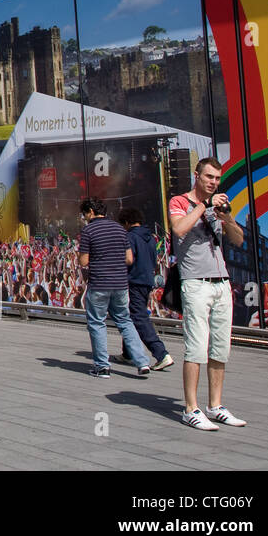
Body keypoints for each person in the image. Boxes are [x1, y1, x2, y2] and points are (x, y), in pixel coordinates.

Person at [168, 157, 248, 431]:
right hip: (195, 283)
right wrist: (204, 205)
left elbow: (238, 240)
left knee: (220, 348)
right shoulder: (180, 201)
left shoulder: (218, 207)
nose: (213, 182)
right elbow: (178, 229)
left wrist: (227, 218)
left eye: (217, 178)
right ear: (197, 175)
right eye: (209, 177)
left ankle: (216, 405)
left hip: (221, 282)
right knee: (196, 346)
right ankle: (191, 408)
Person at [77, 198, 153, 377]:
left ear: (90, 212)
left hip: (99, 283)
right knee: (125, 321)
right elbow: (129, 259)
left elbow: (84, 261)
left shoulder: (88, 230)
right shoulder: (120, 229)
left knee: (97, 323)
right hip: (120, 284)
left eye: (84, 213)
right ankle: (142, 362)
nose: (84, 217)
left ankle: (102, 366)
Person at [117, 207, 173, 370]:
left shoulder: (130, 237)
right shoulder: (150, 237)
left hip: (134, 280)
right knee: (132, 315)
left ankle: (161, 353)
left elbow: (128, 259)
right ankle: (128, 353)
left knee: (138, 316)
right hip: (147, 279)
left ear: (126, 222)